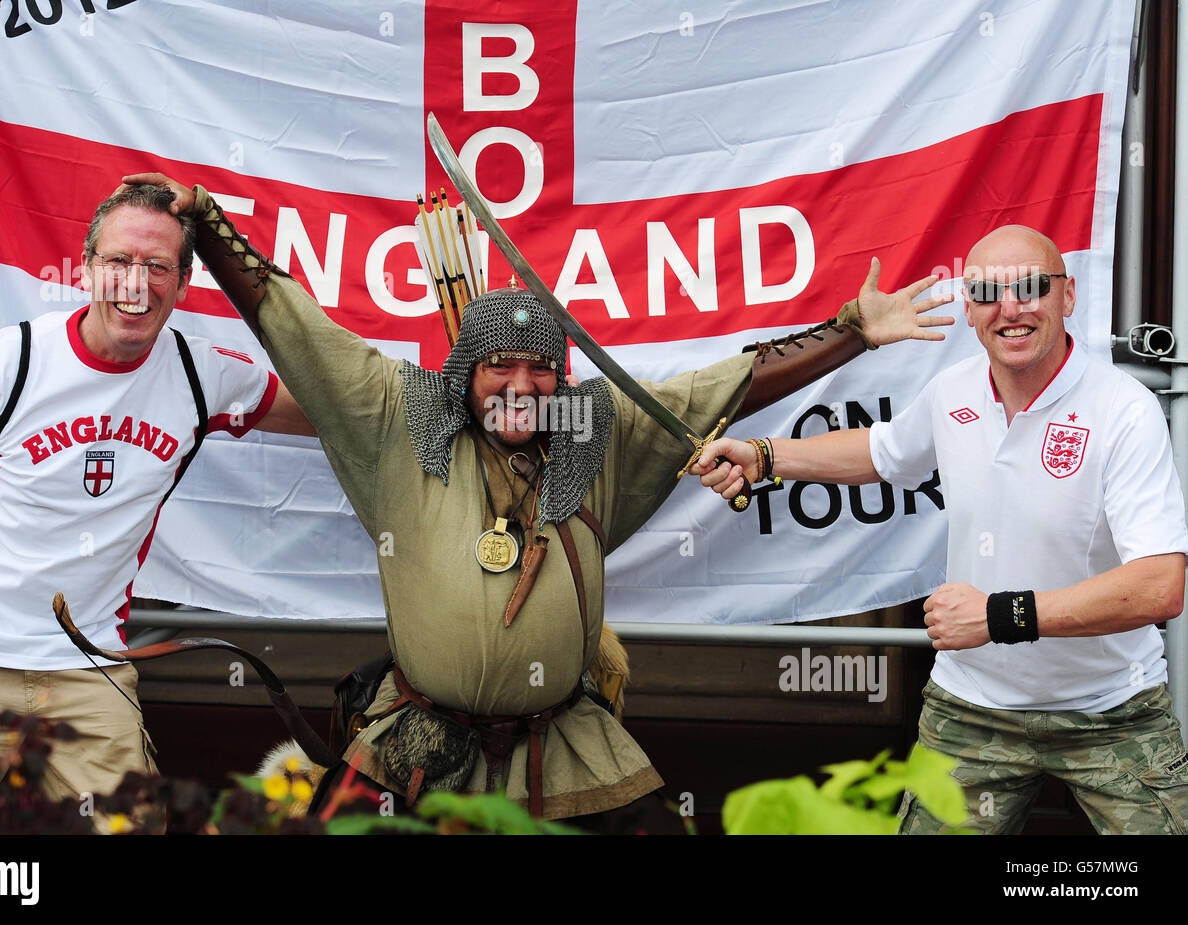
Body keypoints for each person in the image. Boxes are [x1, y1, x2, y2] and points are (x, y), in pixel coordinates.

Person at [125, 171, 951, 826]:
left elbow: (730, 383)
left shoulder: (600, 433)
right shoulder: (402, 421)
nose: (521, 386)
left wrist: (853, 330)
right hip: (411, 740)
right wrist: (203, 221)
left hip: (566, 743)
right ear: (467, 372)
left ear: (563, 374)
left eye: (539, 368)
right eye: (499, 367)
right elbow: (291, 318)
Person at [694, 224, 1188, 834]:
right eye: (986, 292)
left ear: (1068, 295)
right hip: (974, 706)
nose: (1010, 309)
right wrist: (767, 456)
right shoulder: (954, 388)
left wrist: (1000, 616)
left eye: (1031, 287)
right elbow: (881, 452)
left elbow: (1158, 587)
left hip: (1110, 706)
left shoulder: (1124, 409)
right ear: (971, 307)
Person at [0, 183, 315, 824]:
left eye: (157, 267)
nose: (134, 284)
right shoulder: (13, 361)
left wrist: (456, 397)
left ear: (185, 280)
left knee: (134, 823)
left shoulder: (205, 376)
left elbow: (340, 407)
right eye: (118, 262)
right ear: (86, 267)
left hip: (86, 672)